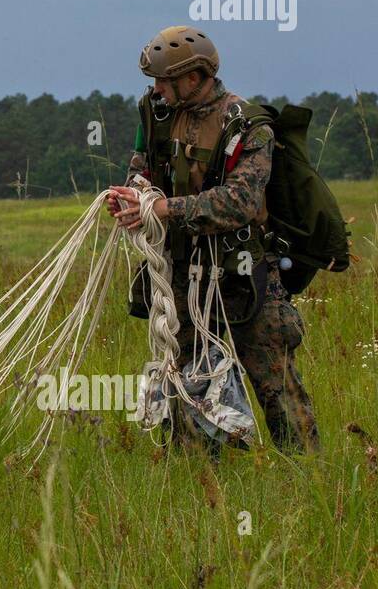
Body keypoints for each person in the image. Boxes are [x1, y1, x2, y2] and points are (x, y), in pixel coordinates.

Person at [106, 25, 319, 452]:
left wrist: (167, 209)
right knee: (187, 382)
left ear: (194, 77)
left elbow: (238, 202)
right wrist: (134, 197)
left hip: (244, 276)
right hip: (182, 277)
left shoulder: (249, 126)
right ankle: (199, 486)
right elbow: (141, 168)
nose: (158, 89)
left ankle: (307, 479)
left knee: (276, 384)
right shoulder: (156, 116)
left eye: (164, 81)